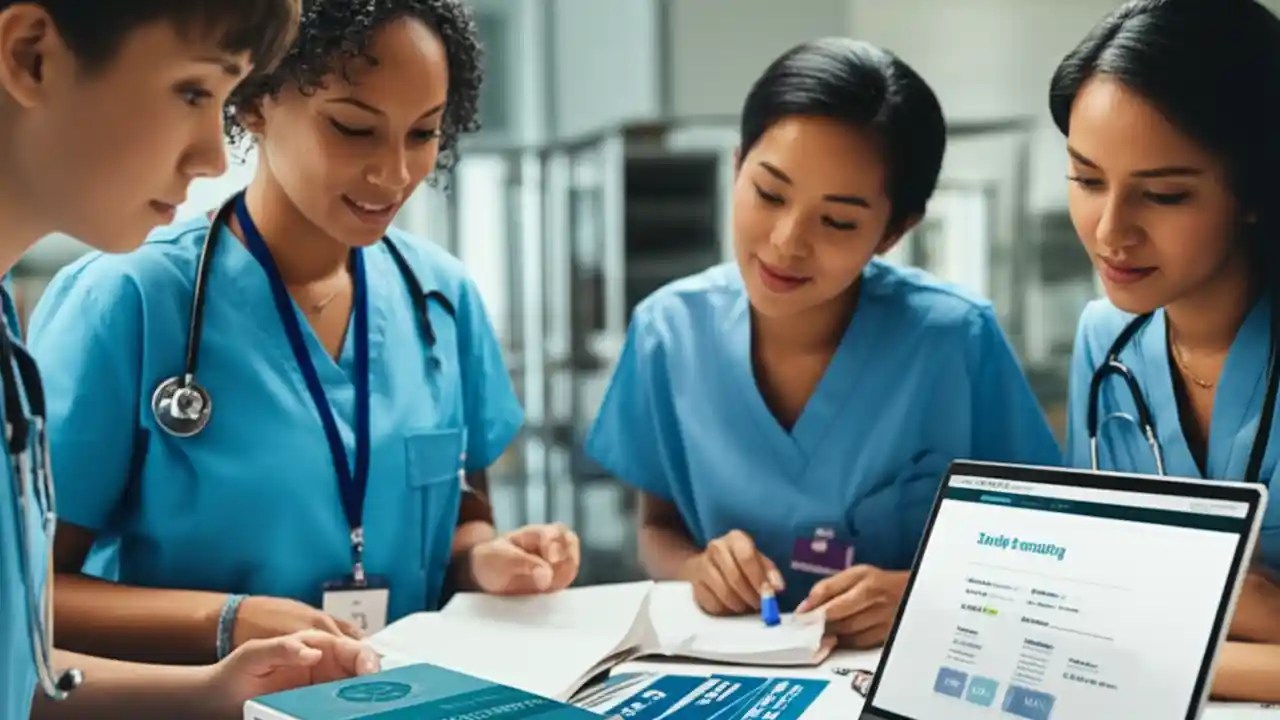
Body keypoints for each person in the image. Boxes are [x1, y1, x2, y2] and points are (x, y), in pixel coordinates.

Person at [26, 0, 579, 666]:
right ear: (254, 102)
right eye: (353, 128)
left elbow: (462, 509)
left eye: (423, 133)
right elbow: (27, 591)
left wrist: (483, 558)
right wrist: (225, 622)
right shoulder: (129, 299)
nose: (396, 174)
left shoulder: (440, 297)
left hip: (400, 696)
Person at [586, 37, 1061, 649]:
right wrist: (696, 569)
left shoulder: (954, 340)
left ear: (893, 232)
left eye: (837, 220)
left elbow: (1046, 546)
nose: (787, 242)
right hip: (734, 667)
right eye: (769, 194)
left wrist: (922, 595)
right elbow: (657, 527)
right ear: (737, 167)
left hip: (904, 668)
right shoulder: (669, 331)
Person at [0, 1, 382, 718]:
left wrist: (215, 691)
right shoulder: (126, 294)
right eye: (193, 92)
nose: (215, 156)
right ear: (32, 56)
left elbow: (15, 668)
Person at [1054, 0, 1280, 701]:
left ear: (1255, 190)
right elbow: (1083, 602)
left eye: (1164, 195)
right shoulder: (1106, 340)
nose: (1109, 232)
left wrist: (1178, 646)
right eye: (1088, 180)